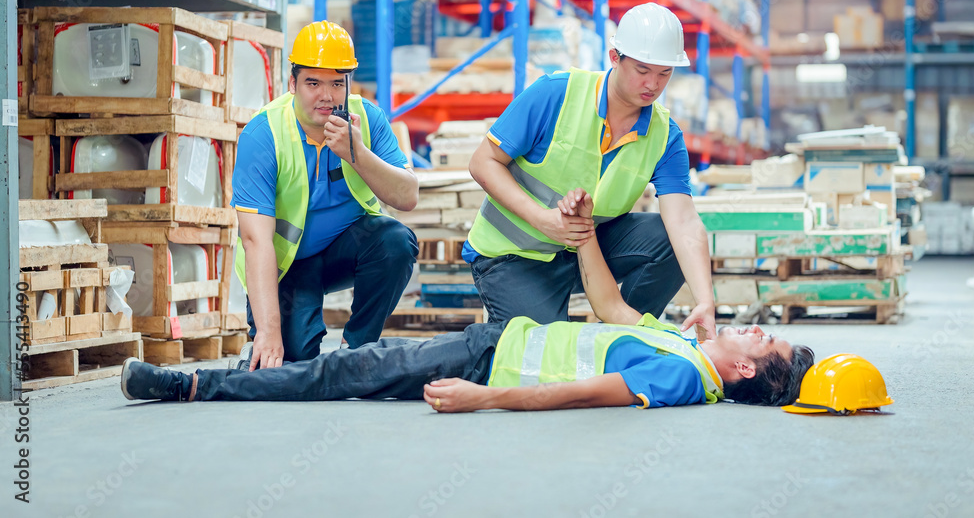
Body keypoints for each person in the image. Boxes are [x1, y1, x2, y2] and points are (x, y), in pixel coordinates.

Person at [120, 190, 814, 411]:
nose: (753, 330)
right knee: (355, 369)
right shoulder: (684, 347)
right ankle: (208, 382)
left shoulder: (681, 377)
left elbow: (580, 394)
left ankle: (193, 385)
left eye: (762, 340)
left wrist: (485, 400)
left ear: (749, 370)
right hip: (501, 342)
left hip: (491, 368)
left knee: (348, 372)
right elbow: (605, 301)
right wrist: (578, 232)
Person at [464, 3, 718, 339]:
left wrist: (705, 301)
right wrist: (542, 219)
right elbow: (482, 162)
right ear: (615, 57)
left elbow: (684, 222)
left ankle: (622, 339)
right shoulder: (556, 93)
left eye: (664, 73)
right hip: (513, 256)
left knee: (667, 238)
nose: (653, 84)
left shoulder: (664, 135)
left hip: (584, 251)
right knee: (545, 354)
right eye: (642, 70)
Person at [231, 21, 419, 370]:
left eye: (337, 83)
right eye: (313, 83)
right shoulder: (264, 134)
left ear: (348, 83)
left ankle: (357, 350)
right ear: (293, 84)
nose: (327, 96)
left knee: (396, 240)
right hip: (288, 264)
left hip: (342, 250)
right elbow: (255, 240)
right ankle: (272, 333)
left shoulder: (367, 118)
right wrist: (269, 332)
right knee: (291, 356)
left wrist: (357, 153)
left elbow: (408, 197)